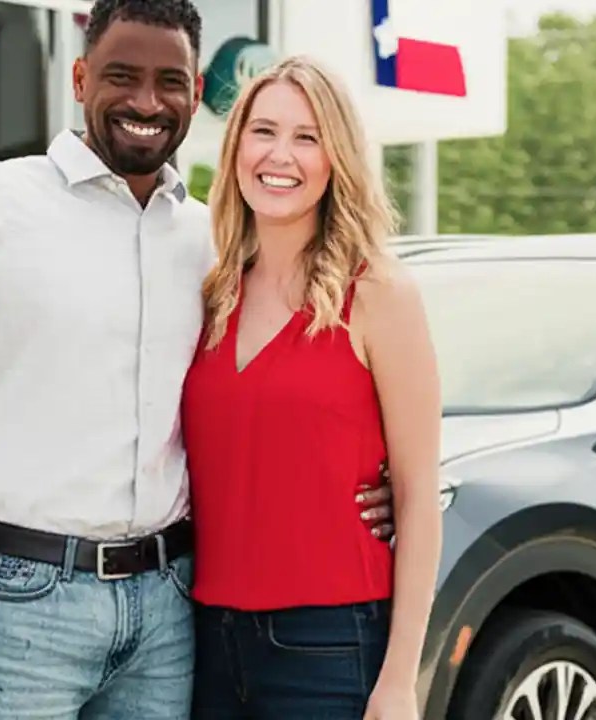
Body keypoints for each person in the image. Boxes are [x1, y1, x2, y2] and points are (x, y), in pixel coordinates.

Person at [0, 1, 393, 718]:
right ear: (80, 77)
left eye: (171, 82)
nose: (147, 102)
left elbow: (286, 392)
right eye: (122, 76)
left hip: (167, 604)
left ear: (195, 93)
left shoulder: (210, 238)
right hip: (21, 598)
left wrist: (383, 486)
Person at [181, 56, 444, 719]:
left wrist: (399, 681)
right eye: (263, 130)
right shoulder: (211, 292)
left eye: (307, 137)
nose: (281, 155)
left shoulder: (379, 293)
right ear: (236, 144)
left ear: (337, 159)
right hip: (205, 641)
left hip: (328, 647)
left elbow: (417, 496)